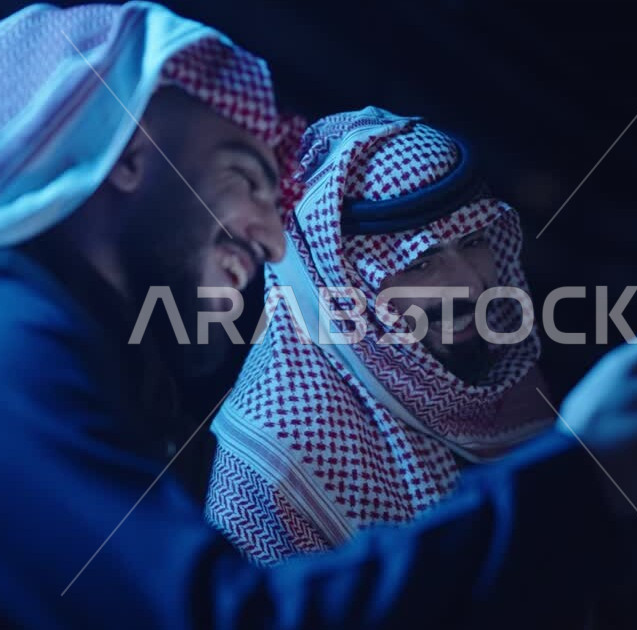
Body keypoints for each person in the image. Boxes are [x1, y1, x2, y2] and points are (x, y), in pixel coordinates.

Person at [0, 3, 637, 628]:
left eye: (475, 246)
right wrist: (584, 480)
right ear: (126, 160)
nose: (274, 240)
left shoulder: (63, 356)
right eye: (245, 177)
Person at [206, 108, 558, 563]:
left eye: (473, 243)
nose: (472, 285)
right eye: (420, 264)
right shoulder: (271, 472)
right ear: (340, 289)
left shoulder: (496, 368)